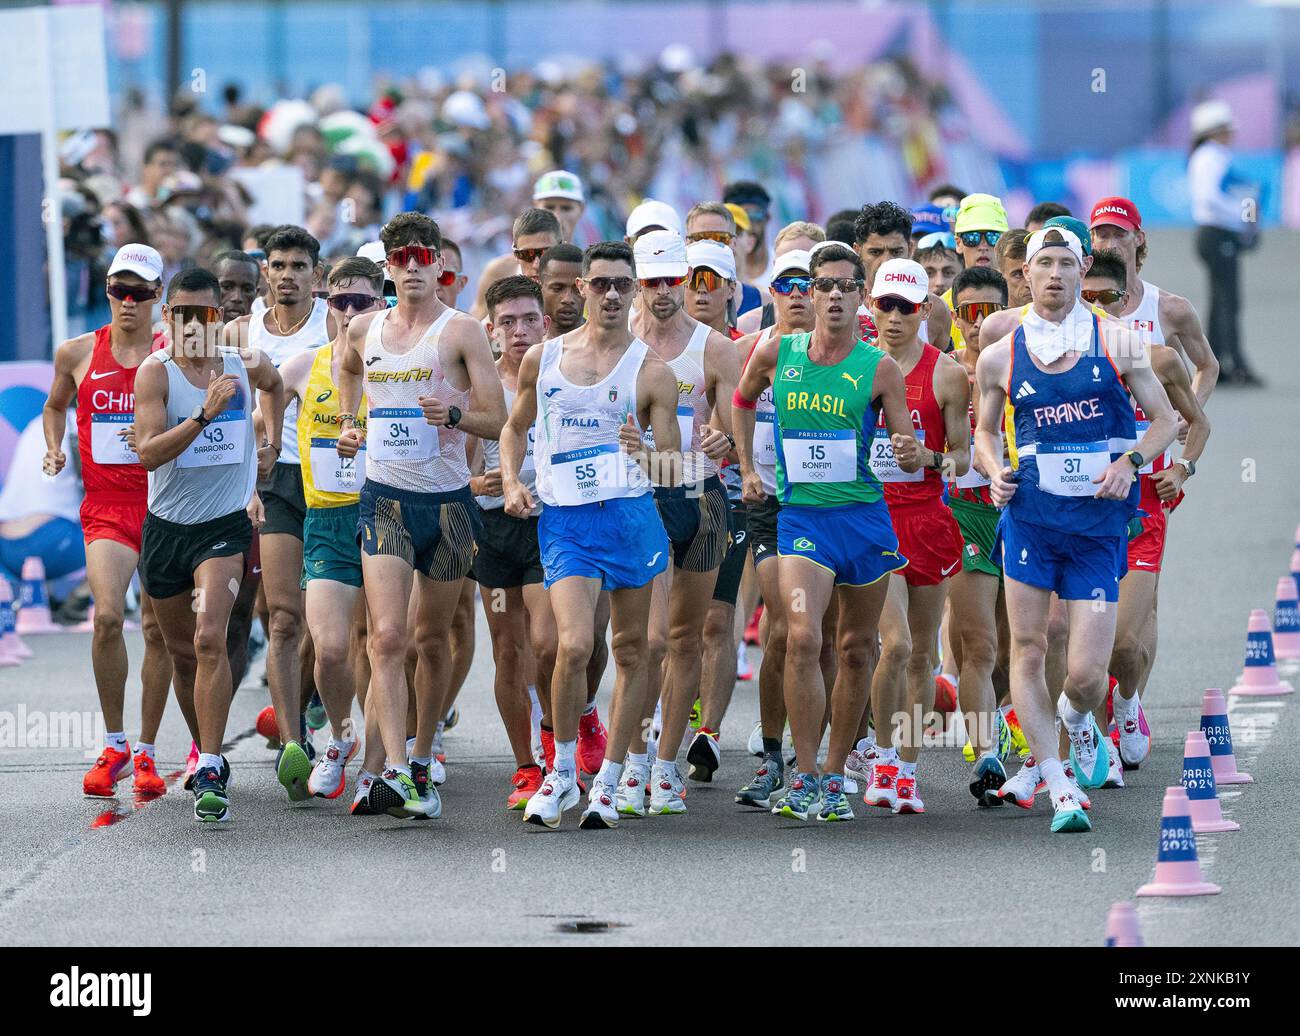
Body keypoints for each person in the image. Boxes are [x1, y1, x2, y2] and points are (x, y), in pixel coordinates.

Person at [973, 227, 1177, 832]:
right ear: (1027, 275)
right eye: (1044, 264)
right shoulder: (999, 354)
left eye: (1067, 263)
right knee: (1030, 647)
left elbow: (1165, 422)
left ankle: (1077, 719)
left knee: (1088, 674)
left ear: (1083, 267)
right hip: (1031, 520)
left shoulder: (1116, 341)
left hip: (1095, 530)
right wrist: (993, 471)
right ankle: (1058, 782)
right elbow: (984, 432)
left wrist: (1129, 463)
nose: (1056, 274)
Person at [496, 240, 681, 830]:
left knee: (632, 650)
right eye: (598, 283)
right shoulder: (543, 359)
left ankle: (608, 782)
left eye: (621, 285)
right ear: (581, 289)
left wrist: (645, 453)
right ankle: (562, 771)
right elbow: (513, 429)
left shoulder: (652, 372)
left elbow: (673, 466)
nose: (609, 294)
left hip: (630, 519)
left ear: (634, 292)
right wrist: (510, 483)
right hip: (566, 521)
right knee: (573, 646)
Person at [734, 243, 920, 822]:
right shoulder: (776, 351)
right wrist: (746, 467)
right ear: (808, 293)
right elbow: (741, 402)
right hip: (802, 520)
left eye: (846, 286)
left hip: (863, 520)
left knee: (857, 649)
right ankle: (806, 772)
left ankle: (835, 777)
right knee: (803, 638)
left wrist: (912, 452)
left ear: (860, 295)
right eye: (824, 286)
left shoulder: (879, 368)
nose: (834, 295)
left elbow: (904, 452)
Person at [336, 212, 506, 819]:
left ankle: (424, 750)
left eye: (421, 257)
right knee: (386, 637)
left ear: (439, 265)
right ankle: (385, 769)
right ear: (388, 267)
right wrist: (352, 422)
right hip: (385, 498)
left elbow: (498, 418)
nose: (412, 267)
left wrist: (453, 418)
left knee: (432, 638)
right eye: (400, 258)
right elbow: (347, 367)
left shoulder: (462, 333)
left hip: (451, 506)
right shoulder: (363, 329)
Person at [133, 268, 284, 822]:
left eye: (206, 314)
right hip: (166, 528)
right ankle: (205, 750)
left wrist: (266, 444)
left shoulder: (242, 363)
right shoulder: (157, 374)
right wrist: (204, 414)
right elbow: (148, 454)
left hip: (223, 527)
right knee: (180, 653)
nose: (195, 324)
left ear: (219, 317)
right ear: (167, 316)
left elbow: (275, 386)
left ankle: (214, 761)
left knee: (208, 637)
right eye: (183, 314)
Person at [473, 275, 611, 810]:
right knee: (509, 652)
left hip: (553, 524)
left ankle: (561, 740)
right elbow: (457, 470)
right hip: (494, 528)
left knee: (552, 645)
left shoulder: (562, 373)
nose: (519, 331)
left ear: (547, 324)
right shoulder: (476, 388)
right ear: (490, 331)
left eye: (530, 319)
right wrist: (481, 483)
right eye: (507, 322)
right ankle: (527, 767)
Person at [41, 243, 173, 797]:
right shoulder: (76, 352)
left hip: (166, 503)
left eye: (140, 293)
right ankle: (115, 744)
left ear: (158, 297)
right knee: (105, 619)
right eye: (120, 290)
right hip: (107, 509)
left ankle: (146, 750)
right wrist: (55, 448)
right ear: (107, 292)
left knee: (159, 629)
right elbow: (53, 406)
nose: (128, 301)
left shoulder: (173, 354)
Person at [1081, 254, 1210, 779]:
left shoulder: (1157, 360)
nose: (1095, 307)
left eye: (1107, 298)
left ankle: (1129, 706)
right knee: (1074, 641)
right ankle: (1090, 741)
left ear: (1127, 300)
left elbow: (1198, 423)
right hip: (1079, 511)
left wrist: (1181, 470)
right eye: (1085, 298)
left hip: (1142, 507)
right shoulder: (1055, 362)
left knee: (1122, 645)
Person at [624, 230, 738, 815]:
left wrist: (726, 438)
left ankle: (667, 764)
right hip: (638, 501)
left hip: (701, 497)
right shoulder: (618, 347)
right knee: (649, 640)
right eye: (652, 283)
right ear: (636, 285)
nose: (664, 293)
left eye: (675, 281)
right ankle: (636, 756)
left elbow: (744, 429)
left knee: (686, 637)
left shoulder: (716, 348)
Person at [273, 257, 386, 804]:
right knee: (333, 648)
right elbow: (258, 425)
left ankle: (381, 766)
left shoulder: (394, 368)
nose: (347, 312)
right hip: (325, 519)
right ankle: (341, 737)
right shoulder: (301, 367)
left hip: (387, 516)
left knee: (382, 645)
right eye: (338, 302)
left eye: (361, 302)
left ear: (380, 305)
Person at [860, 259, 970, 816]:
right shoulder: (853, 368)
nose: (896, 317)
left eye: (907, 306)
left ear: (924, 310)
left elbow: (963, 458)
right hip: (872, 521)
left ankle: (906, 769)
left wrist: (927, 457)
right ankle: (880, 757)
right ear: (871, 306)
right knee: (894, 644)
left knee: (922, 654)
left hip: (926, 520)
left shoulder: (947, 374)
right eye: (886, 305)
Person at [224, 225, 331, 800]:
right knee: (284, 617)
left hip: (334, 480)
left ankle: (316, 708)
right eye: (278, 265)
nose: (287, 274)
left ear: (316, 273)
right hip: (275, 480)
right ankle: (294, 747)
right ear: (265, 271)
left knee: (328, 624)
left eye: (298, 265)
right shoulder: (239, 331)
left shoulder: (336, 326)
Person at [730, 248, 816, 808]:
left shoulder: (848, 353)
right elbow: (732, 404)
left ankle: (828, 758)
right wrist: (745, 466)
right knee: (784, 628)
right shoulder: (754, 349)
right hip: (769, 504)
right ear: (772, 294)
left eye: (811, 284)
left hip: (828, 505)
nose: (800, 294)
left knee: (822, 638)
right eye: (787, 284)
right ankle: (771, 756)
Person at [943, 265, 1019, 797]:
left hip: (1018, 513)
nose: (978, 323)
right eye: (967, 313)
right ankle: (986, 754)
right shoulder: (944, 373)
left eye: (990, 311)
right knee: (981, 644)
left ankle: (1011, 726)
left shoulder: (1027, 365)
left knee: (1016, 648)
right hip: (964, 513)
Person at [1088, 196, 1220, 407]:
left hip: (1151, 436)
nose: (1111, 245)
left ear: (1138, 238)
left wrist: (1189, 414)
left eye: (1120, 234)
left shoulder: (1170, 308)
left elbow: (1207, 365)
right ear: (1092, 240)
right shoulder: (1075, 304)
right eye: (1102, 235)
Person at [1188, 100, 1259, 384]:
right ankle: (1235, 364)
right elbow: (1209, 199)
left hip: (1214, 234)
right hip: (1217, 234)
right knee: (1229, 302)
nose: (1232, 133)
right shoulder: (1210, 157)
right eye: (1227, 128)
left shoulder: (1211, 155)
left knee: (1221, 303)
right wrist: (1242, 213)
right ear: (1215, 130)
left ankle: (1217, 365)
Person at [852, 201, 952, 352]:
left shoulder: (936, 311)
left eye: (896, 251)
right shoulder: (847, 309)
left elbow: (945, 369)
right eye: (876, 252)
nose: (886, 261)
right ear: (857, 251)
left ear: (911, 248)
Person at [471, 209, 563, 318]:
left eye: (545, 253)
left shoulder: (579, 277)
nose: (536, 265)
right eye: (527, 254)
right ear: (515, 254)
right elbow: (476, 326)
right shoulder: (498, 273)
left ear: (562, 249)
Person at [685, 201, 758, 317]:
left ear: (734, 243)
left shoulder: (762, 303)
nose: (710, 245)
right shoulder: (672, 303)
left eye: (719, 238)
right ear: (687, 242)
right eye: (700, 238)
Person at [722, 181, 774, 288]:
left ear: (767, 218)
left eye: (755, 215)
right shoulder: (718, 270)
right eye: (740, 217)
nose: (747, 223)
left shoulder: (781, 266)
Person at [538, 244, 585, 335]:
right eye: (557, 289)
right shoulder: (522, 342)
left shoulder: (606, 343)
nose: (568, 299)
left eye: (578, 289)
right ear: (540, 286)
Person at [532, 170, 587, 242]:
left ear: (581, 209)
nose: (558, 217)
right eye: (549, 207)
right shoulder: (520, 252)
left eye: (566, 208)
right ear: (536, 207)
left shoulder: (591, 248)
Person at [213, 251, 261, 320]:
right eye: (227, 287)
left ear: (256, 293)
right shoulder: (194, 327)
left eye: (247, 290)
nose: (237, 298)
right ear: (209, 289)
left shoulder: (260, 329)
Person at [994, 229, 1032, 308]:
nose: (1029, 284)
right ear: (1000, 277)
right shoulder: (990, 319)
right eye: (1018, 275)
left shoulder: (1061, 317)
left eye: (1033, 273)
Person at [435, 238, 469, 309]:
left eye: (444, 277)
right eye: (428, 278)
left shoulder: (469, 320)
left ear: (461, 283)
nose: (435, 286)